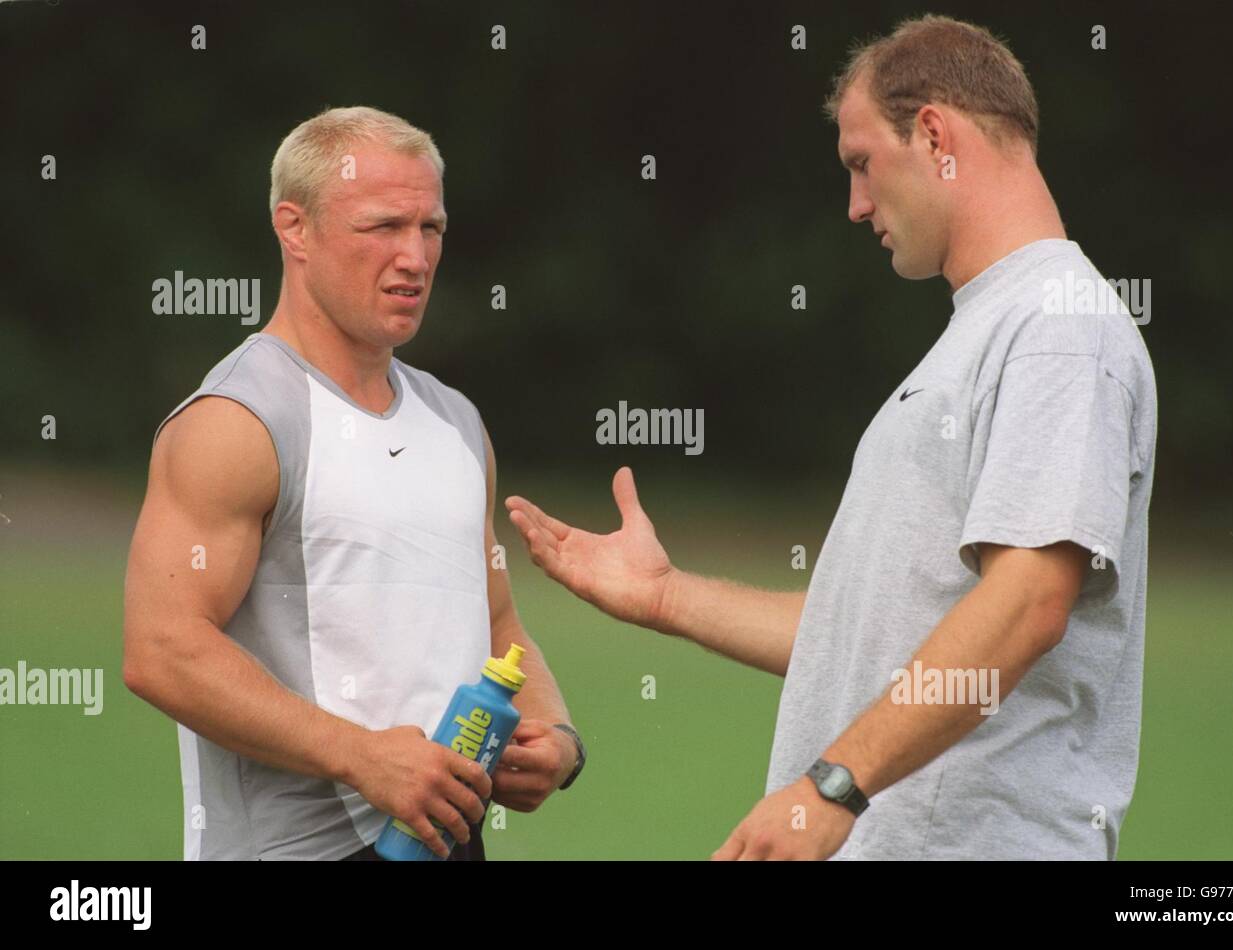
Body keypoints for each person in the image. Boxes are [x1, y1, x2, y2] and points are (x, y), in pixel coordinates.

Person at [506, 16, 1156, 860]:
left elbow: (1027, 602)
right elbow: (873, 634)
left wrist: (831, 787)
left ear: (933, 134)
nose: (854, 205)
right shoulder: (992, 328)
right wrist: (667, 598)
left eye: (860, 163)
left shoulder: (1059, 327)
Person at [123, 106, 585, 861]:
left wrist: (558, 743)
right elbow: (162, 649)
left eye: (430, 228)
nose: (415, 257)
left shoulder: (457, 421)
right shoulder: (237, 420)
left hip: (449, 845)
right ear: (294, 228)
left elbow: (499, 628)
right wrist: (361, 755)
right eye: (383, 227)